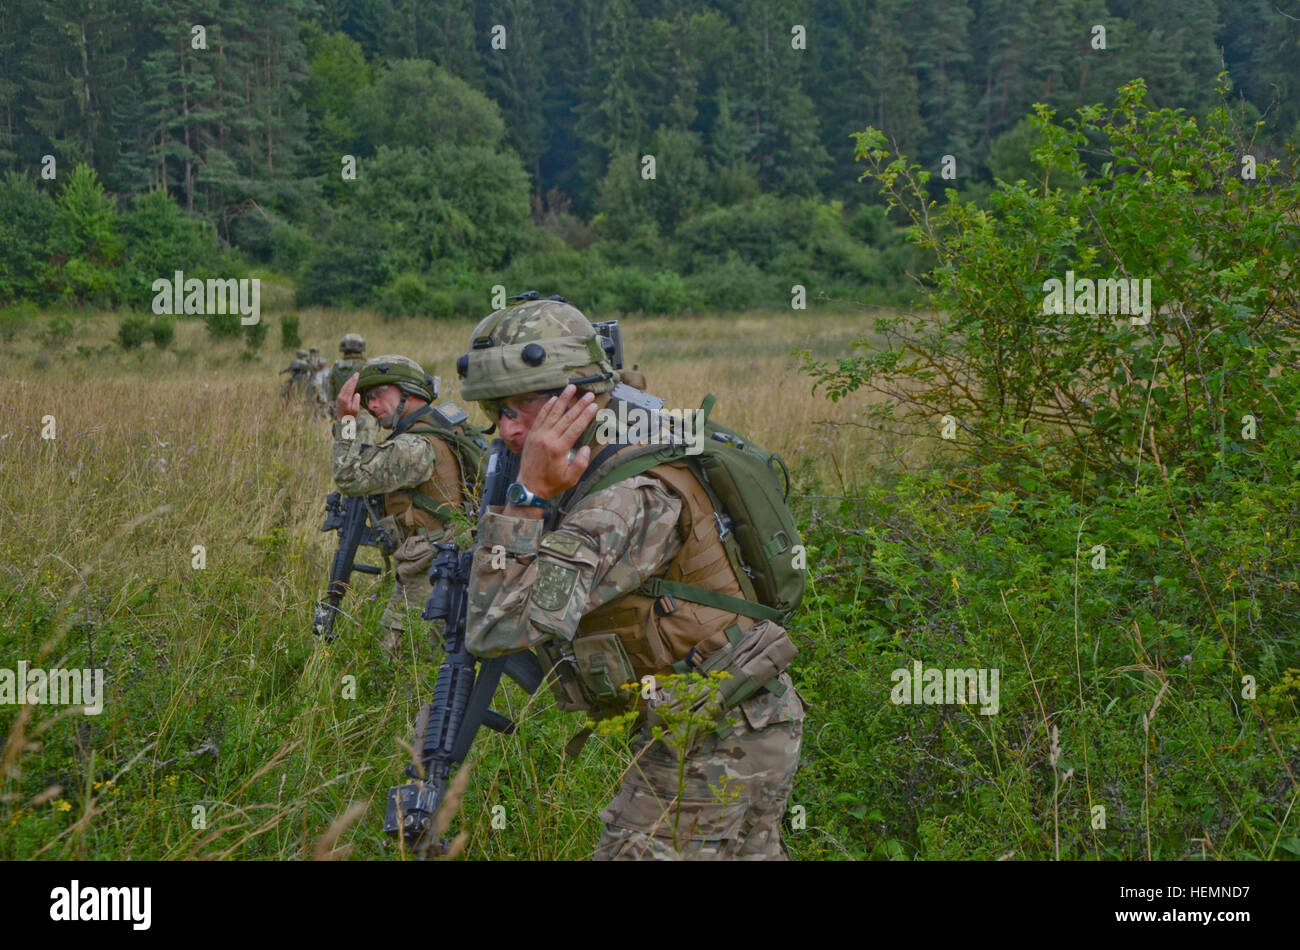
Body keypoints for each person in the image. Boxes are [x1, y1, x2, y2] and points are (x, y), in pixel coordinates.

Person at [457, 296, 804, 860]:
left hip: (715, 736)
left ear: (577, 398)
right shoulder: (621, 438)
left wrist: (524, 499)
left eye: (521, 407)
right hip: (742, 712)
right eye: (496, 411)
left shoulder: (622, 501)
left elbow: (497, 626)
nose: (506, 430)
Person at [332, 355, 475, 659]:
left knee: (401, 669)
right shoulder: (441, 427)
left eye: (380, 393)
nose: (372, 405)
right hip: (442, 562)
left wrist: (346, 420)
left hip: (429, 572)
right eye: (368, 398)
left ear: (409, 392)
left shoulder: (413, 446)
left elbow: (349, 475)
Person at [326, 334, 367, 410]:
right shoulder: (366, 366)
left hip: (340, 411)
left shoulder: (334, 368)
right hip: (363, 411)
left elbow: (330, 395)